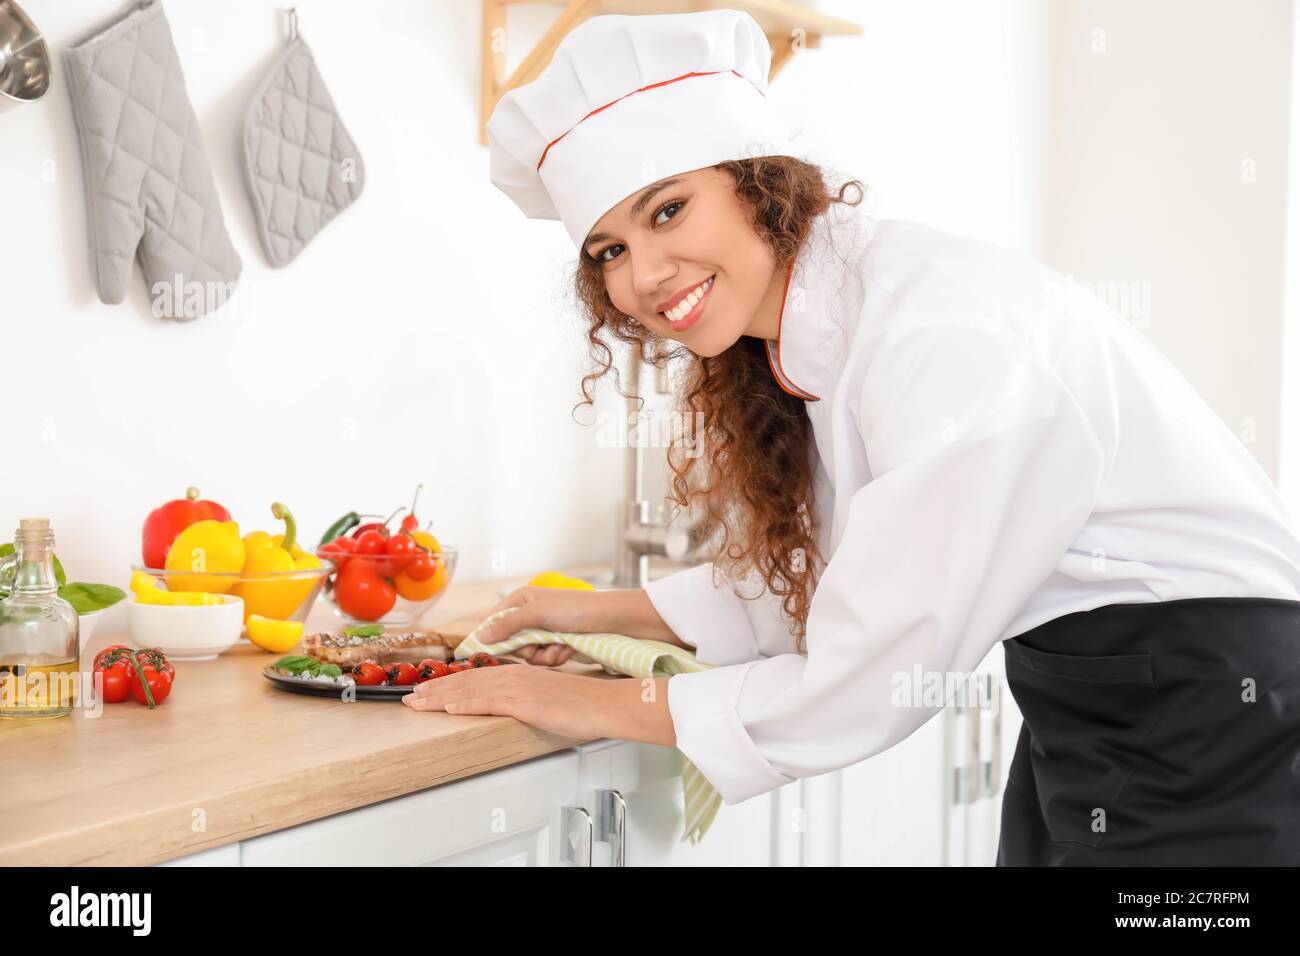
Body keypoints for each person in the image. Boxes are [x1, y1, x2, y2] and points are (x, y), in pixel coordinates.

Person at [402, 9, 1300, 865]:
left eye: (668, 210)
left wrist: (582, 704)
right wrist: (591, 616)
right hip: (1106, 700)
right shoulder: (824, 329)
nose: (643, 275)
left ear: (759, 180)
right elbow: (841, 569)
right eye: (607, 251)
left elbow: (864, 675)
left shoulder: (937, 335)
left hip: (1211, 711)